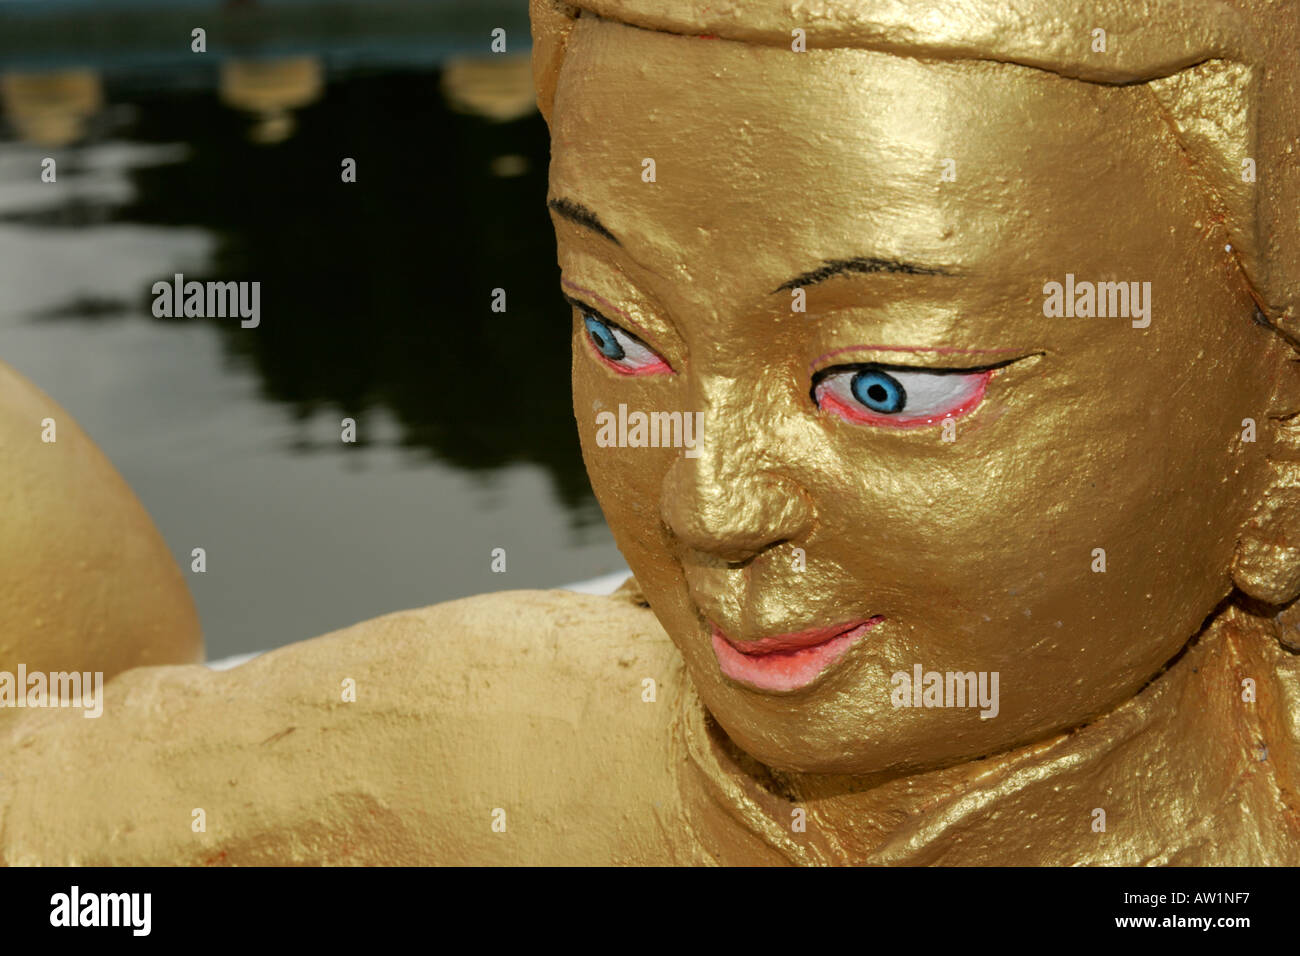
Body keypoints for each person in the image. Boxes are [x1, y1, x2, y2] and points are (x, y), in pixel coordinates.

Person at [2, 0, 1298, 865]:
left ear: (1275, 452)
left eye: (886, 387)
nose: (707, 504)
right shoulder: (498, 753)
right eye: (621, 338)